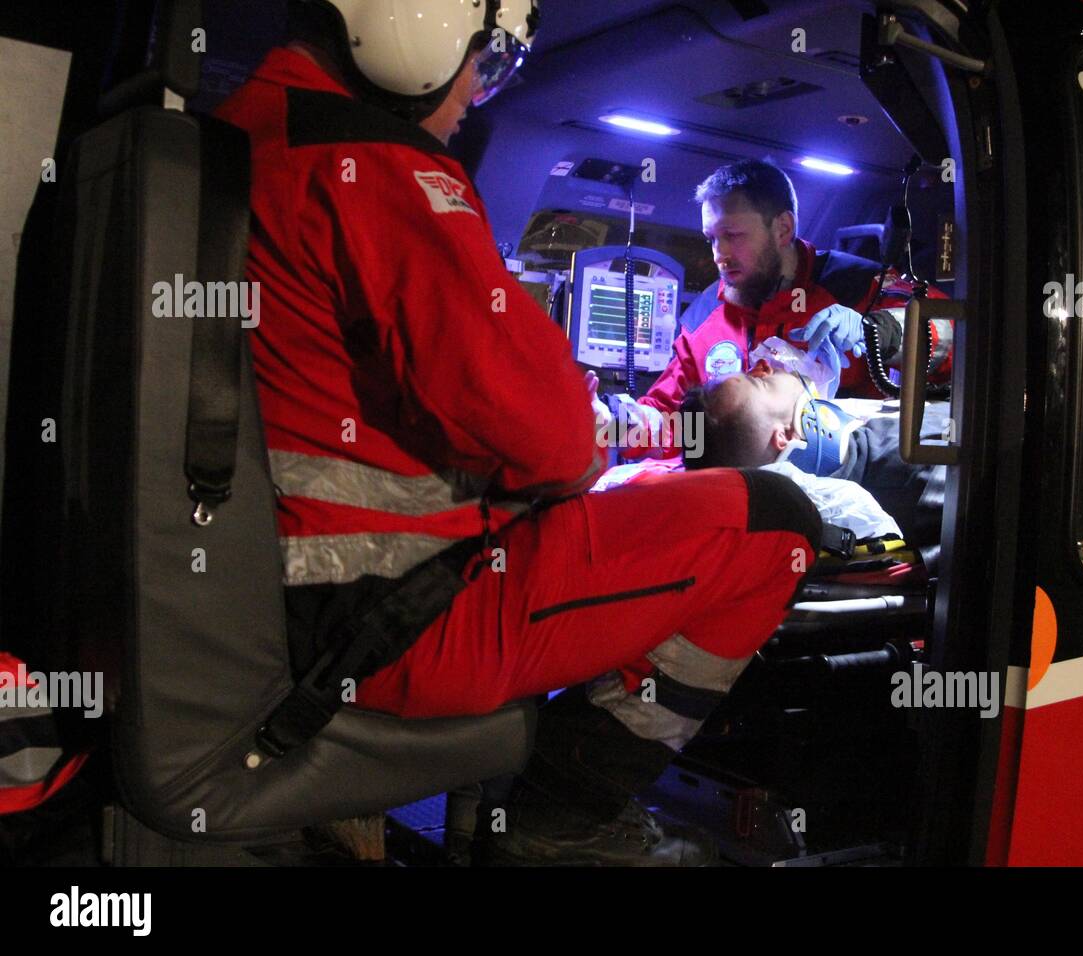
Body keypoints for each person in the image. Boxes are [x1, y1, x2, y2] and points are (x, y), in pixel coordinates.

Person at [213, 0, 823, 866]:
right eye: (482, 59)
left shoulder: (245, 136)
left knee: (648, 494)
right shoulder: (375, 166)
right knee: (779, 524)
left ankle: (498, 805)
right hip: (400, 613)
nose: (473, 92)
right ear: (415, 32)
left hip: (287, 597)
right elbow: (556, 447)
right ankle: (562, 812)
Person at [602, 158, 942, 456]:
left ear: (783, 229)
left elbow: (955, 331)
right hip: (743, 499)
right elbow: (682, 428)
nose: (718, 254)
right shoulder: (702, 320)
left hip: (849, 481)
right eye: (711, 239)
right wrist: (611, 426)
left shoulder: (856, 285)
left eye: (733, 235)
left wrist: (880, 333)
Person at [681, 364, 949, 570]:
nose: (764, 366)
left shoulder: (867, 449)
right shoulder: (917, 473)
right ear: (787, 436)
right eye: (759, 382)